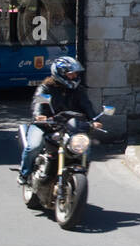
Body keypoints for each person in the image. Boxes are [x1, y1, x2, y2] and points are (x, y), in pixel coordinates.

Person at [18, 56, 102, 185]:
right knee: (34, 146)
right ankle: (24, 174)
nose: (74, 76)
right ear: (60, 74)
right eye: (71, 74)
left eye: (75, 73)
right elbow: (38, 103)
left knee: (84, 148)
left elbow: (87, 106)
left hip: (67, 125)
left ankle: (79, 175)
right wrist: (39, 115)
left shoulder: (78, 90)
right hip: (45, 124)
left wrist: (93, 119)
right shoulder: (45, 88)